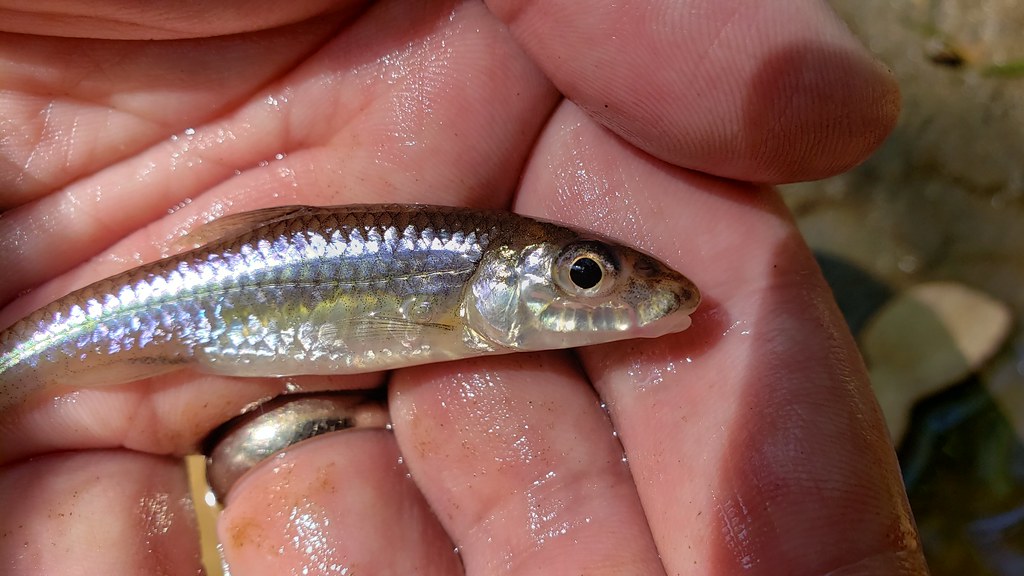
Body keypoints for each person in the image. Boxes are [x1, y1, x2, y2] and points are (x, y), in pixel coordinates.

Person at [0, 1, 926, 574]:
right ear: (507, 280)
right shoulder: (452, 279)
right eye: (586, 275)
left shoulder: (479, 294)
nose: (611, 294)